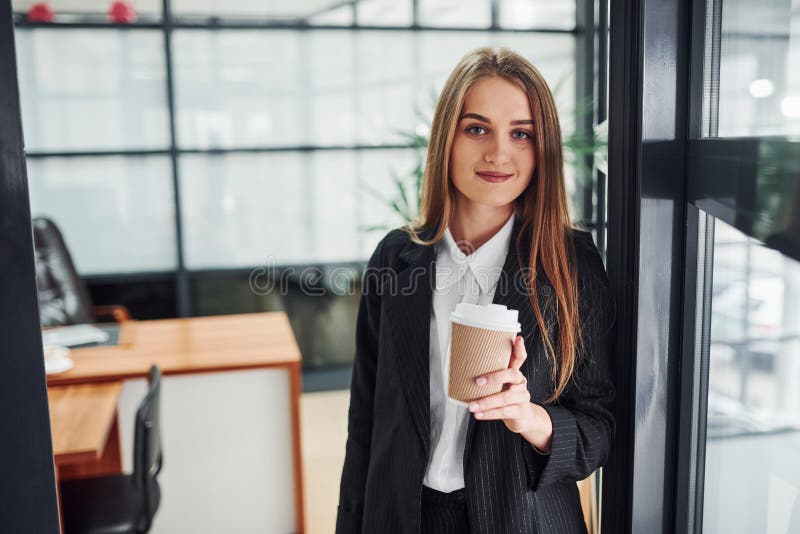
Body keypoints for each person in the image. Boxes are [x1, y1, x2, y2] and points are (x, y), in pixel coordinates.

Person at [336, 47, 616, 534]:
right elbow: (365, 422)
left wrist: (529, 417)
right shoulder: (395, 258)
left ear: (541, 148)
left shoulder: (571, 264)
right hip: (403, 515)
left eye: (521, 133)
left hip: (521, 519)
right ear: (448, 137)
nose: (498, 153)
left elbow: (599, 429)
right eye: (477, 128)